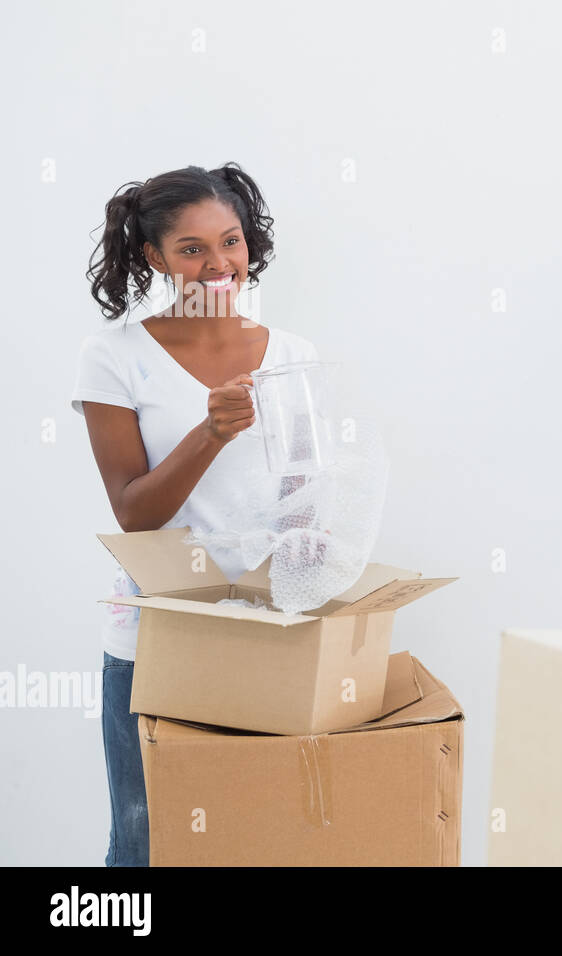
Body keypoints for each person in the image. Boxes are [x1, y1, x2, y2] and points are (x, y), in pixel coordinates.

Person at [72, 163, 321, 866]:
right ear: (154, 257)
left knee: (258, 841)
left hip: (272, 635)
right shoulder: (114, 357)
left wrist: (313, 536)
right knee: (146, 843)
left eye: (232, 241)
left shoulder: (293, 357)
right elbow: (134, 515)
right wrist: (210, 432)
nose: (220, 265)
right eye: (192, 249)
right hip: (157, 638)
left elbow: (301, 500)